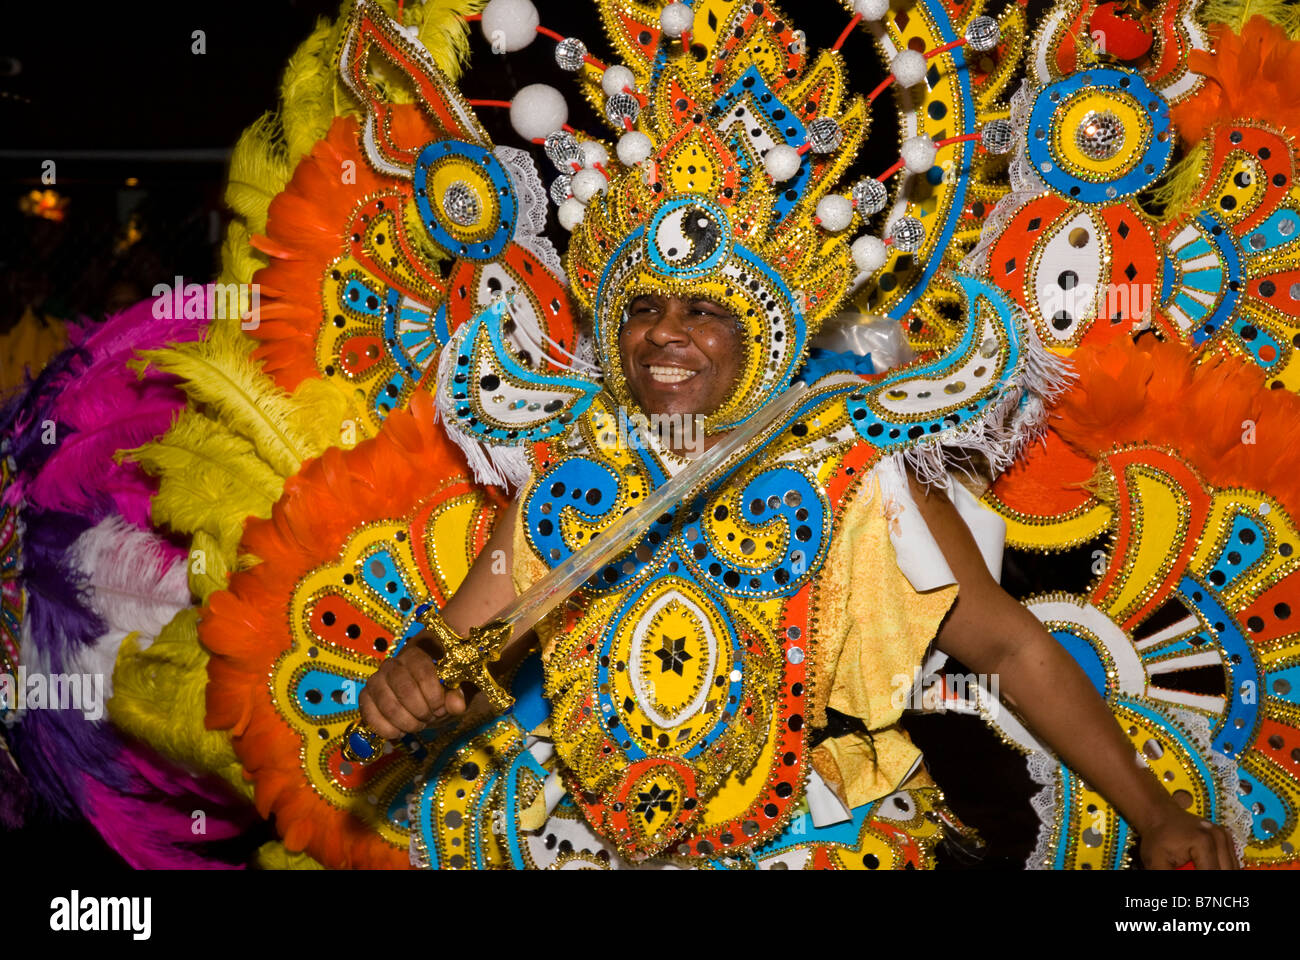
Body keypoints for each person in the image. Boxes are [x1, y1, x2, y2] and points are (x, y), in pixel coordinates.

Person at [359, 291, 1239, 870]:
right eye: (642, 308)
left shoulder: (855, 479)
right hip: (594, 843)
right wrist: (409, 686)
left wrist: (1155, 812)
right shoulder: (562, 488)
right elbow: (460, 665)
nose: (665, 332)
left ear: (765, 330)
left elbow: (1006, 643)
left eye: (704, 308)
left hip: (806, 839)